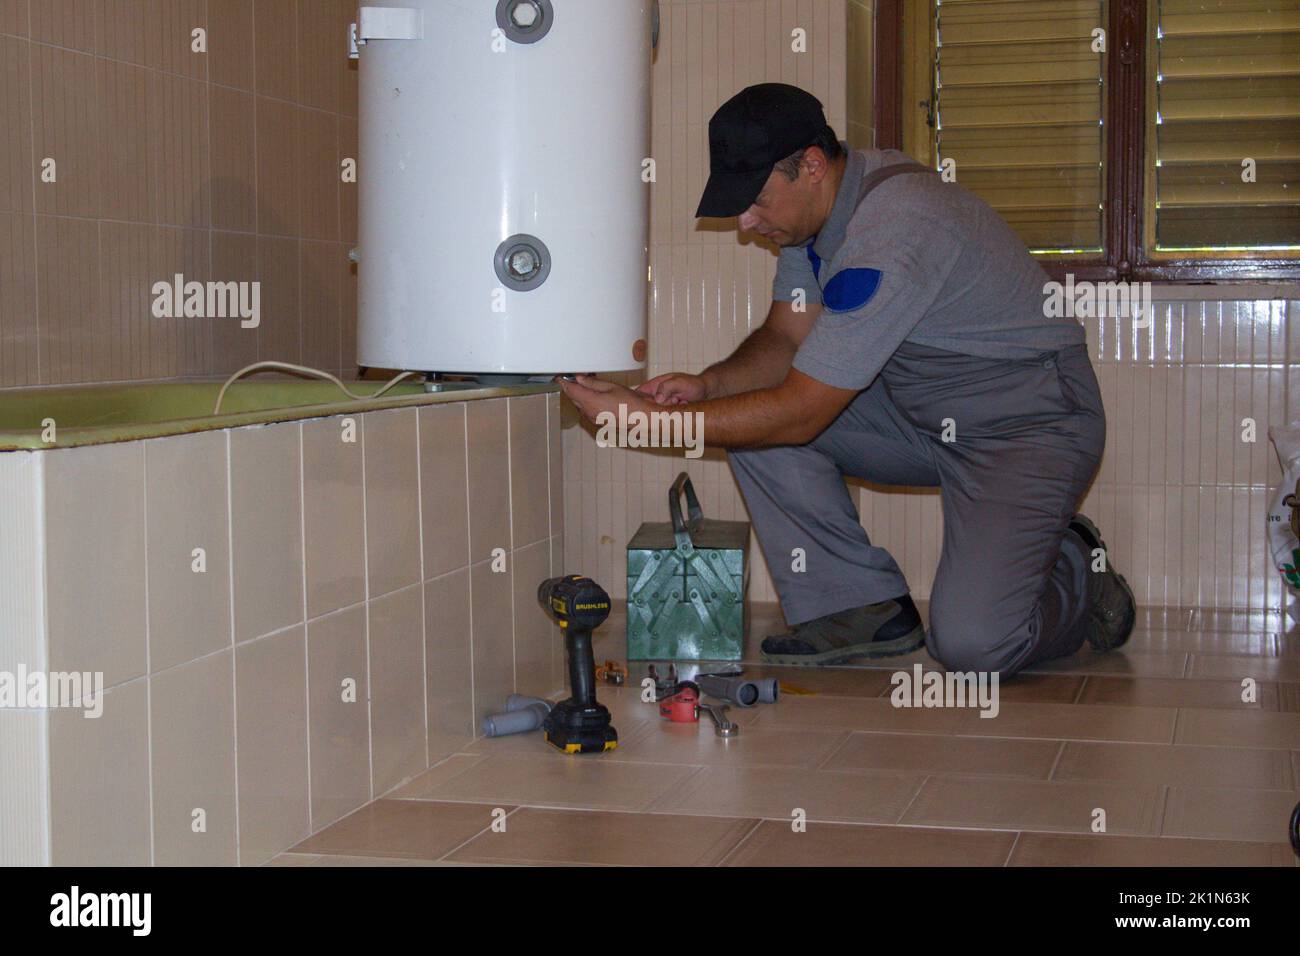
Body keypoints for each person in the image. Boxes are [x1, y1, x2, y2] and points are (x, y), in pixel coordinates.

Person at [559, 83, 1135, 676]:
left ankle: (1075, 567)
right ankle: (859, 607)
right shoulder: (815, 221)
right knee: (746, 420)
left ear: (810, 164)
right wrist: (709, 386)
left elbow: (802, 410)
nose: (746, 222)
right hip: (921, 417)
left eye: (755, 200)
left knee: (973, 647)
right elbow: (786, 340)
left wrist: (649, 423)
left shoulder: (895, 229)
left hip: (1027, 427)